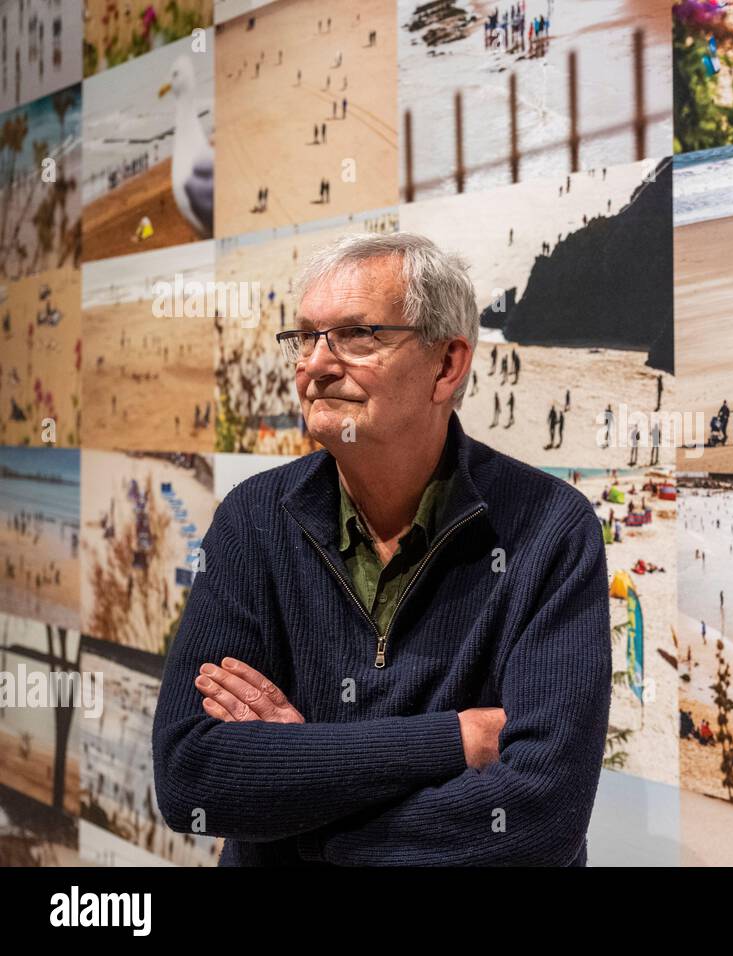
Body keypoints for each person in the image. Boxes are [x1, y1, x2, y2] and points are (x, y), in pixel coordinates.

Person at [151, 233, 612, 866]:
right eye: (305, 337)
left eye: (357, 335)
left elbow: (537, 819)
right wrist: (455, 739)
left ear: (446, 366)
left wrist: (300, 800)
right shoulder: (254, 520)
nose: (315, 364)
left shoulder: (550, 529)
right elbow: (191, 776)